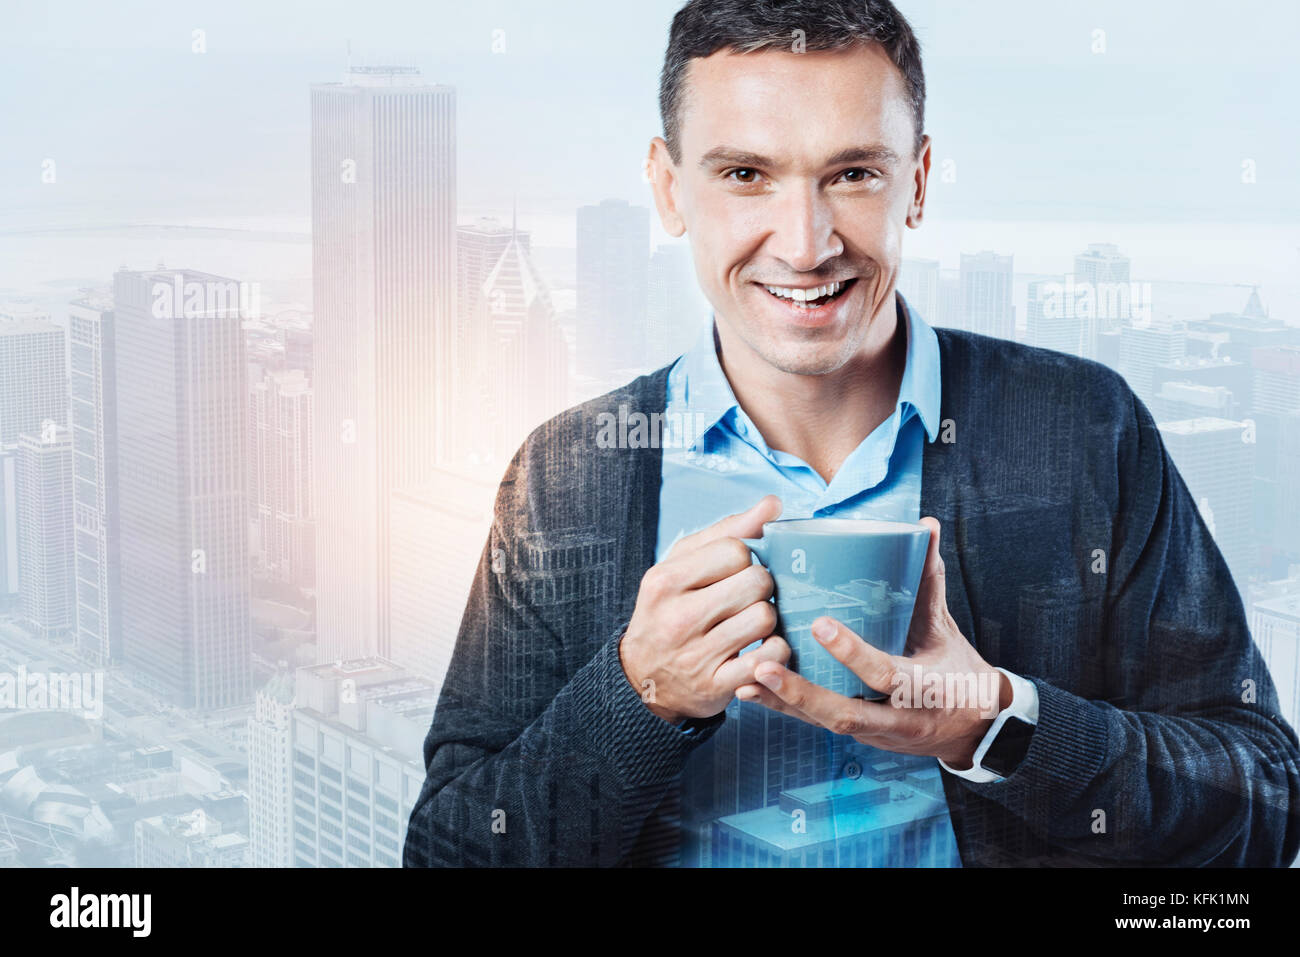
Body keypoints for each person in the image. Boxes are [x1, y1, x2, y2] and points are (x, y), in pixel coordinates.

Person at [403, 0, 1300, 867]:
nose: (803, 244)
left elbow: (1265, 799)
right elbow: (449, 853)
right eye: (745, 174)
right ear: (670, 188)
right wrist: (638, 697)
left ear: (914, 182)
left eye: (852, 173)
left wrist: (997, 722)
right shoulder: (566, 477)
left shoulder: (1082, 431)